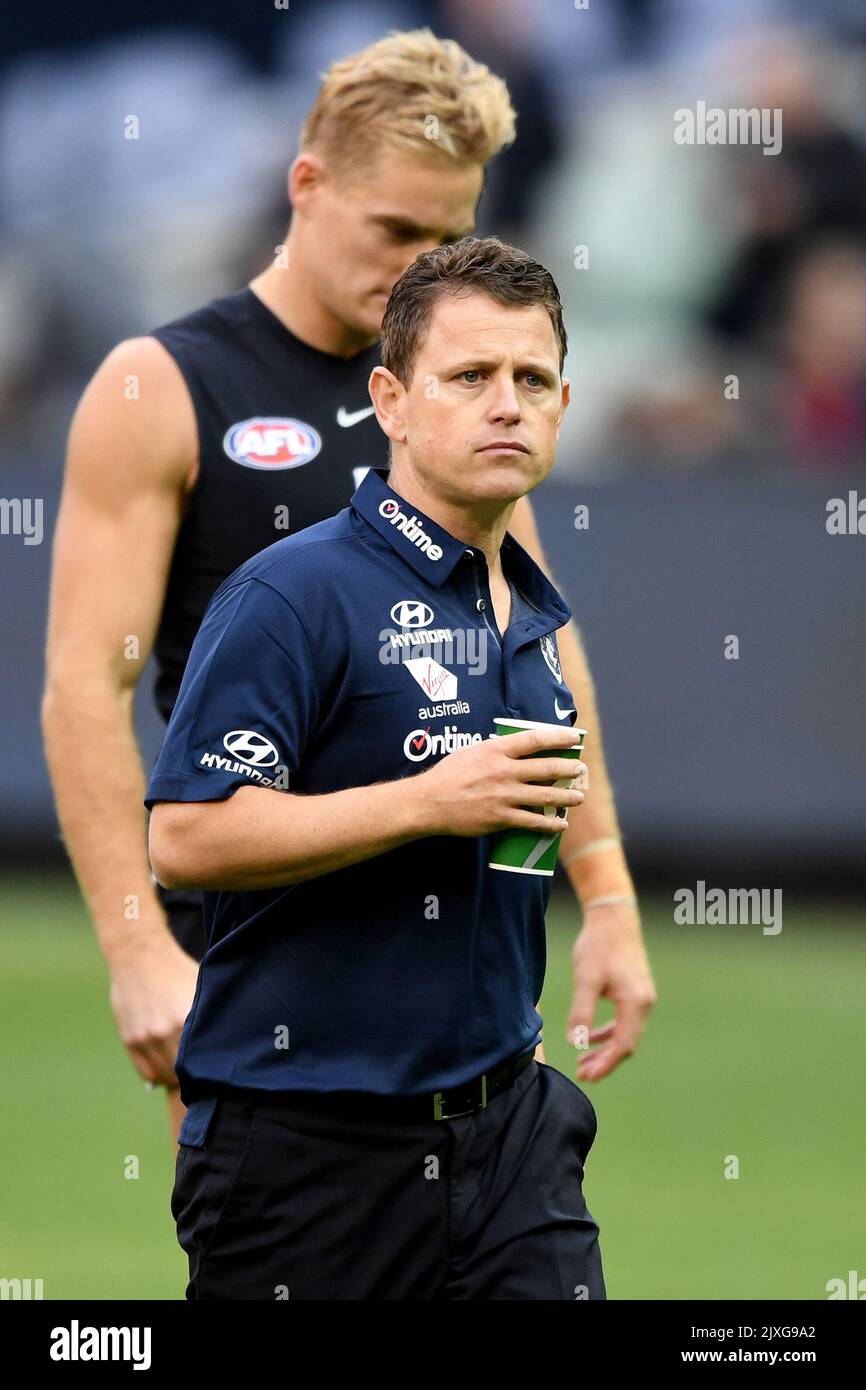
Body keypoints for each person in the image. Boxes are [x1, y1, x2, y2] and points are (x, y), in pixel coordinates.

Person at [42, 29, 655, 1151]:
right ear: (306, 185)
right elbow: (88, 682)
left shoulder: (463, 384)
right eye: (394, 230)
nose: (420, 264)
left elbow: (542, 650)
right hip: (254, 947)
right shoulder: (164, 384)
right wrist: (138, 952)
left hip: (459, 966)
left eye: (448, 232)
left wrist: (604, 893)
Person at [148, 236, 606, 1300]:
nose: (506, 404)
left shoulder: (530, 611)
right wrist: (423, 804)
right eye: (470, 376)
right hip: (311, 1157)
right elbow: (185, 835)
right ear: (390, 402)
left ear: (563, 403)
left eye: (530, 380)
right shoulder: (291, 595)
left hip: (509, 1145)